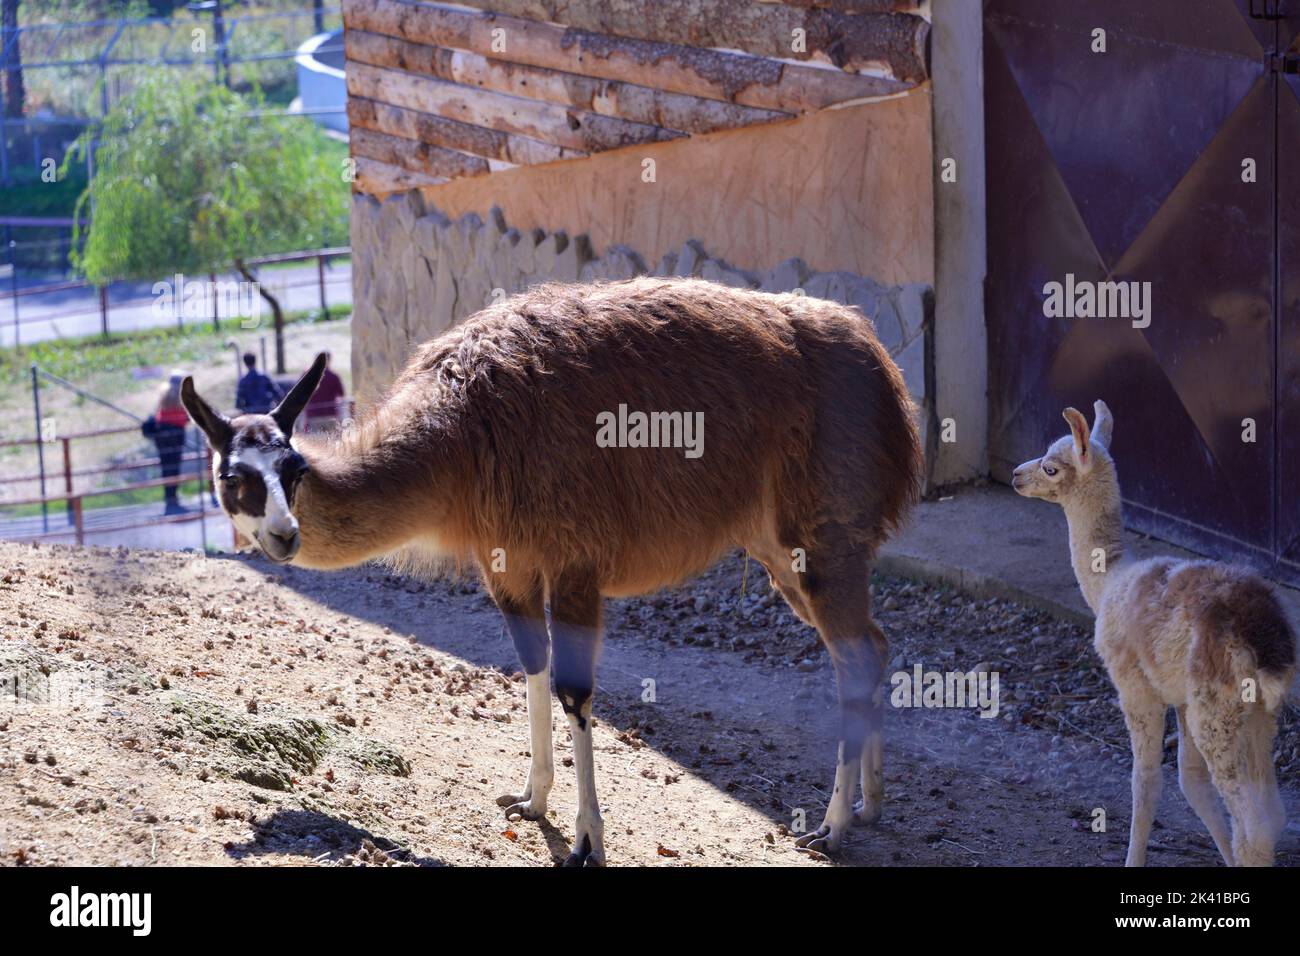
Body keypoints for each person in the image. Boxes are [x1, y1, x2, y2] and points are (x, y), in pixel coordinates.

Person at [145, 373, 190, 515]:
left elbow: (158, 412)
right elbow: (186, 417)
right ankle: (173, 497)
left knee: (166, 466)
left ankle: (168, 497)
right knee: (174, 467)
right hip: (176, 433)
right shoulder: (181, 395)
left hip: (162, 433)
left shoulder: (164, 392)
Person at [304, 351, 346, 432]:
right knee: (331, 442)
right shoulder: (334, 376)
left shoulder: (307, 375)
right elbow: (341, 393)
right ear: (329, 360)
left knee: (313, 442)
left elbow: (300, 394)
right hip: (330, 415)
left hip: (313, 415)